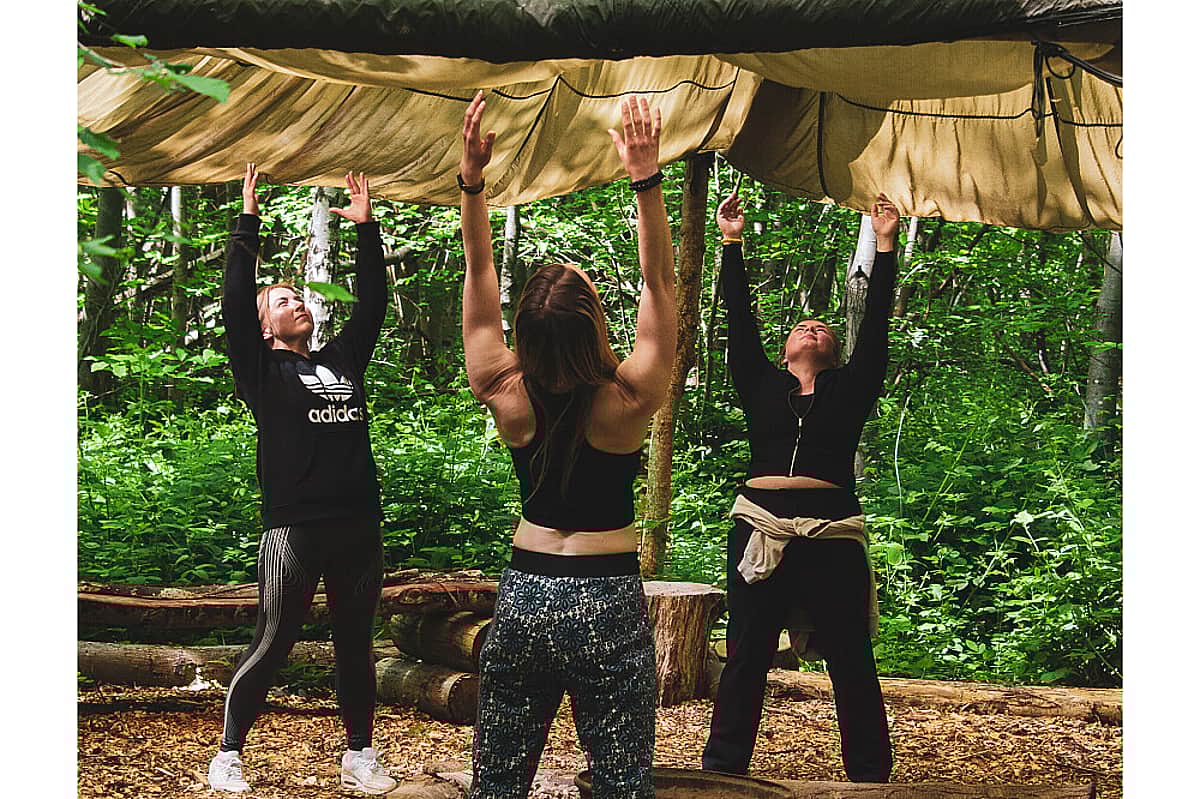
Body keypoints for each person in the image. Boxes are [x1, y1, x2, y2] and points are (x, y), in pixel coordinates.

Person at [457, 91, 676, 799]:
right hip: (605, 597)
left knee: (497, 781)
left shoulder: (502, 387)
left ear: (526, 329)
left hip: (523, 594)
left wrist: (472, 183)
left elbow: (479, 278)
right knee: (619, 782)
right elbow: (660, 283)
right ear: (592, 326)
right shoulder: (630, 398)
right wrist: (644, 177)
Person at [206, 164, 397, 795]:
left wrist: (366, 230)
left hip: (357, 526)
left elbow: (372, 306)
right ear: (264, 326)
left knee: (354, 645)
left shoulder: (341, 358)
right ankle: (230, 753)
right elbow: (235, 300)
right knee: (274, 639)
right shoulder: (259, 370)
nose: (297, 303)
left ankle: (360, 754)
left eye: (299, 297)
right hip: (295, 528)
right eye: (282, 300)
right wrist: (247, 222)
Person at [701, 190, 899, 782]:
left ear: (833, 353)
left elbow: (878, 323)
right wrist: (731, 243)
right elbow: (739, 321)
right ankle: (723, 772)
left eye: (822, 327)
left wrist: (884, 243)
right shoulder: (761, 386)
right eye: (801, 326)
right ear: (785, 352)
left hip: (832, 534)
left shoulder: (851, 388)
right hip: (759, 528)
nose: (811, 327)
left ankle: (869, 778)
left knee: (850, 659)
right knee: (746, 658)